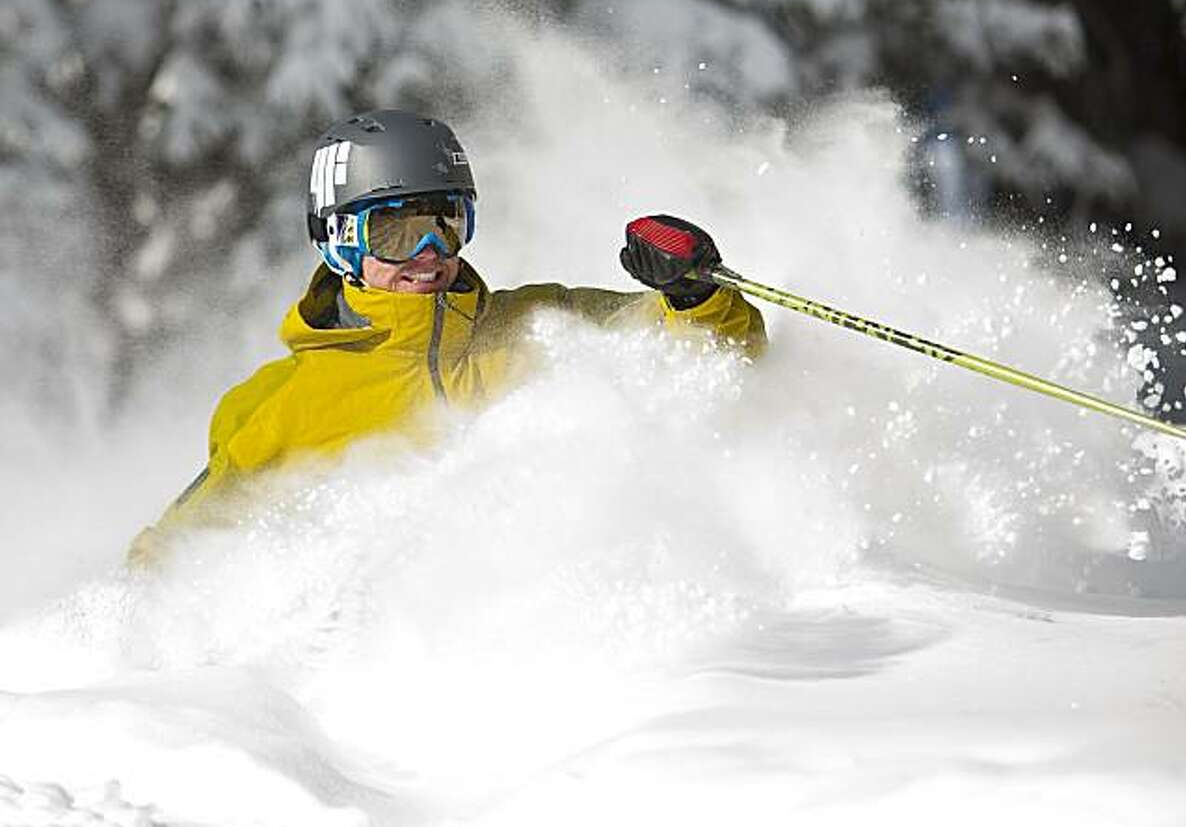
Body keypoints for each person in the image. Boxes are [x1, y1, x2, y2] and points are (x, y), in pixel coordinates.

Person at [128, 110, 765, 564]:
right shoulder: (279, 408)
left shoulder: (543, 324)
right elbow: (174, 558)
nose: (429, 253)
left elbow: (708, 357)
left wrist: (693, 292)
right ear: (337, 240)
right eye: (396, 232)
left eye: (447, 223)